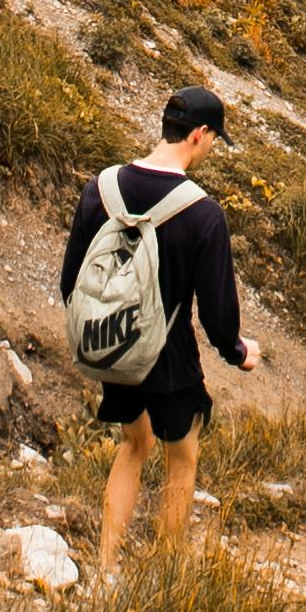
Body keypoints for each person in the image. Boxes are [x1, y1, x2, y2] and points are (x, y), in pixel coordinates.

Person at [63, 87, 255, 562]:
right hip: (169, 358)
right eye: (214, 139)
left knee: (134, 444)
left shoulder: (102, 187)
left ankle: (106, 566)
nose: (211, 148)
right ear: (198, 134)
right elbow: (216, 313)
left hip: (115, 346)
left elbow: (72, 281)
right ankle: (165, 569)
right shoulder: (203, 212)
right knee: (181, 458)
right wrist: (238, 352)